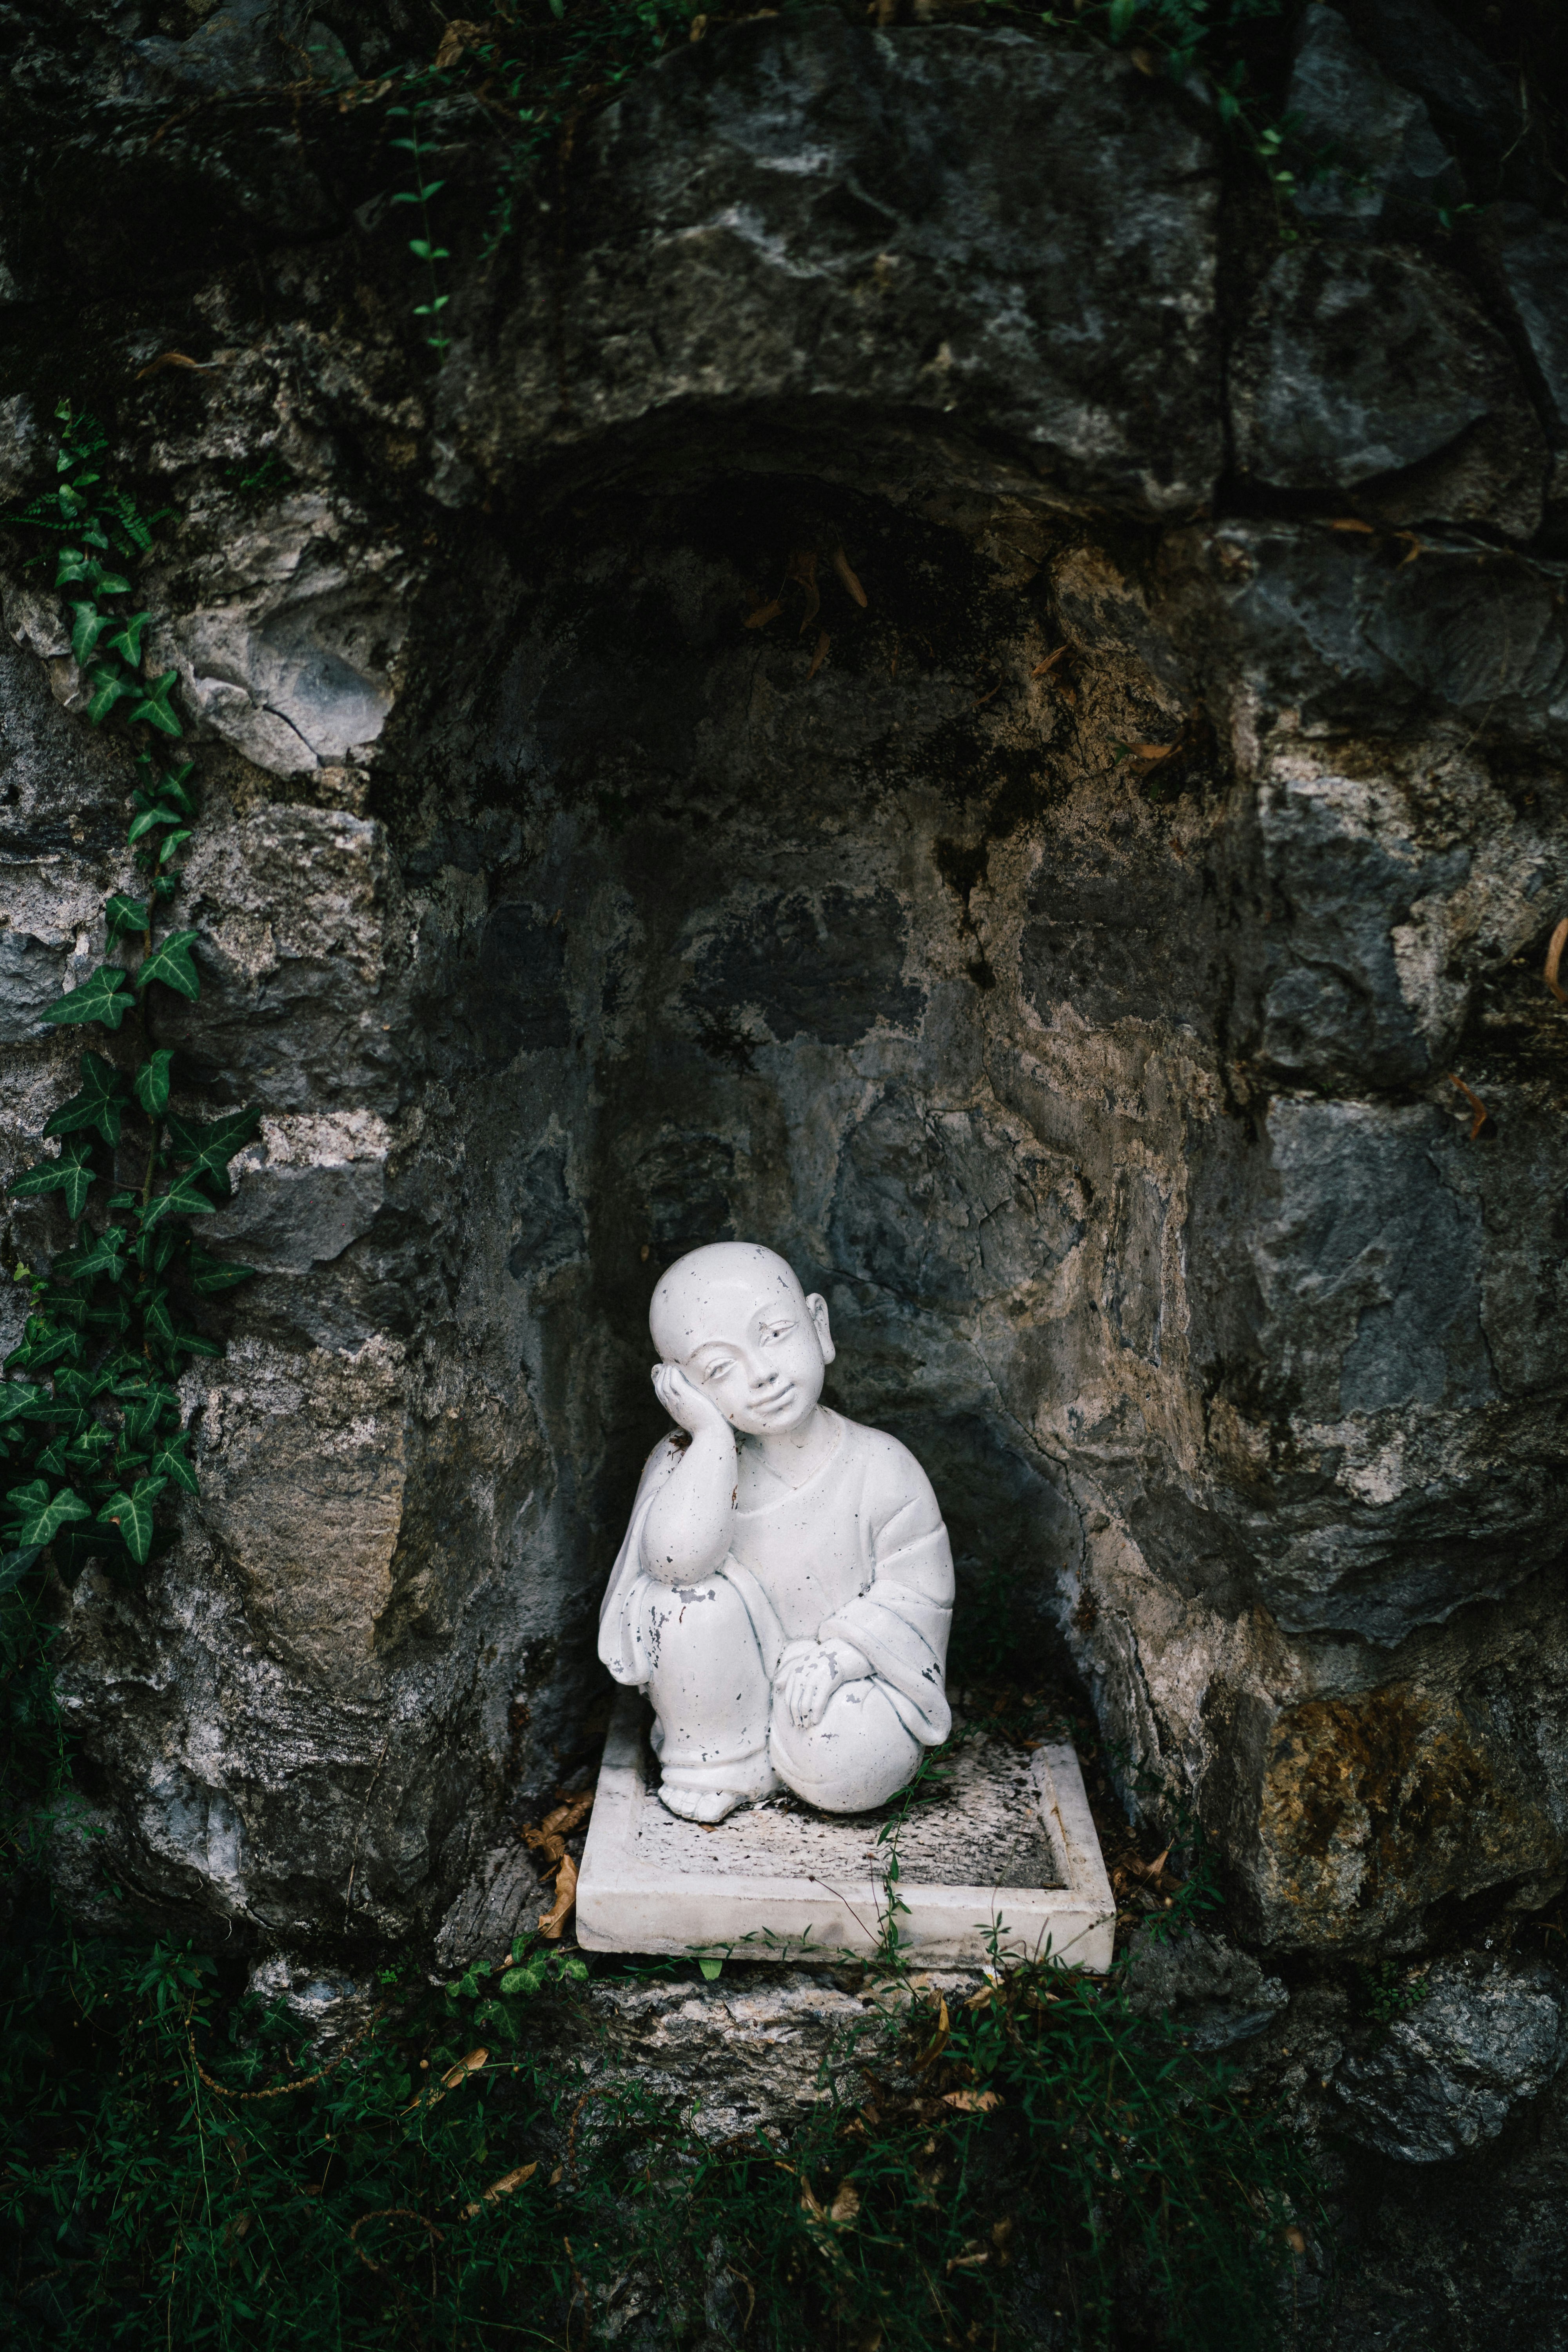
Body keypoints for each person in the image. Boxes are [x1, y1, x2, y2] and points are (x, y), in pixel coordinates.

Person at [598, 1242, 954, 1820]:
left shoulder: (882, 1466)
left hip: (840, 1681)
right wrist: (711, 1438)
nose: (761, 1375)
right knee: (684, 1603)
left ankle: (789, 1753)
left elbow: (917, 1593)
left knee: (859, 1761)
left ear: (819, 1325)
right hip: (723, 1697)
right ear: (679, 1389)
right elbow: (674, 1563)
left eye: (775, 1334)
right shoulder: (685, 1461)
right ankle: (720, 1761)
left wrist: (841, 1657)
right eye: (719, 1368)